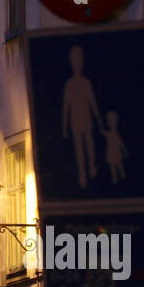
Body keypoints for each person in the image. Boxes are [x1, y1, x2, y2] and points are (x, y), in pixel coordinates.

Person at [61, 45, 104, 189]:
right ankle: (82, 173)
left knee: (89, 143)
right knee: (79, 147)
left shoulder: (85, 82)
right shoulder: (70, 84)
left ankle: (91, 168)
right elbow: (66, 107)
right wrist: (65, 127)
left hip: (85, 118)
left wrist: (98, 119)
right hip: (76, 120)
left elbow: (92, 102)